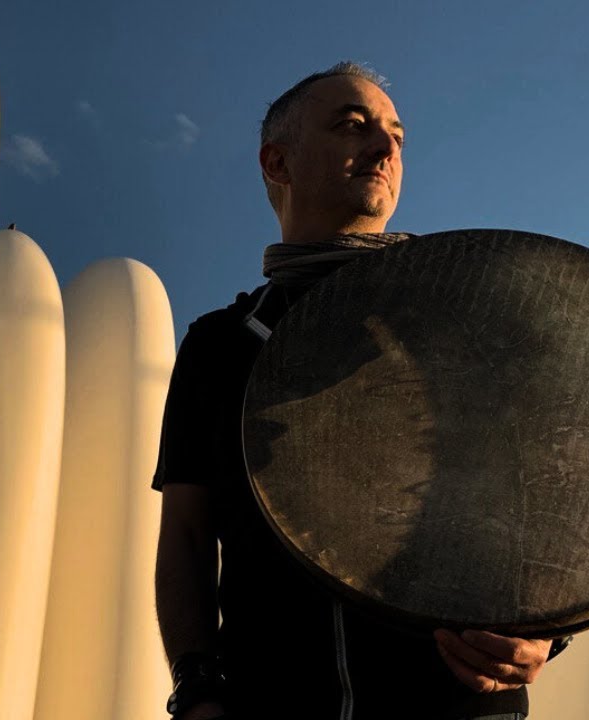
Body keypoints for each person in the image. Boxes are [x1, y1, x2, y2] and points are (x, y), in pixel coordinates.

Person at [151, 62, 568, 720]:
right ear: (278, 162)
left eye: (397, 136)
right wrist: (197, 687)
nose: (386, 148)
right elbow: (187, 538)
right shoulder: (219, 345)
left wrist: (548, 630)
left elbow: (555, 499)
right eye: (353, 127)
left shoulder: (464, 321)